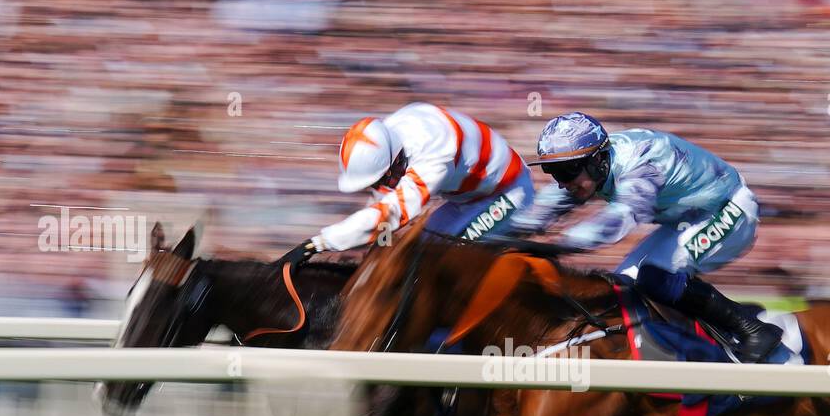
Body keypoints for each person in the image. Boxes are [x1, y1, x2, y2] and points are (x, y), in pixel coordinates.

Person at [509, 112, 781, 362]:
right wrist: (503, 238)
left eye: (567, 171)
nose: (562, 182)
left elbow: (620, 219)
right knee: (623, 286)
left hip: (730, 209)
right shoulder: (594, 164)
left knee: (655, 278)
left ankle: (752, 330)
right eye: (553, 172)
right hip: (689, 217)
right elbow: (546, 205)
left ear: (597, 161)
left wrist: (559, 245)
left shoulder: (641, 163)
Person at [277, 103, 534, 263]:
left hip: (509, 192)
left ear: (395, 161)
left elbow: (391, 214)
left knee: (443, 260)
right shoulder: (392, 138)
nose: (378, 188)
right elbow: (383, 207)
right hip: (468, 197)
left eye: (380, 180)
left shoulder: (433, 154)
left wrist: (320, 243)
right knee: (416, 253)